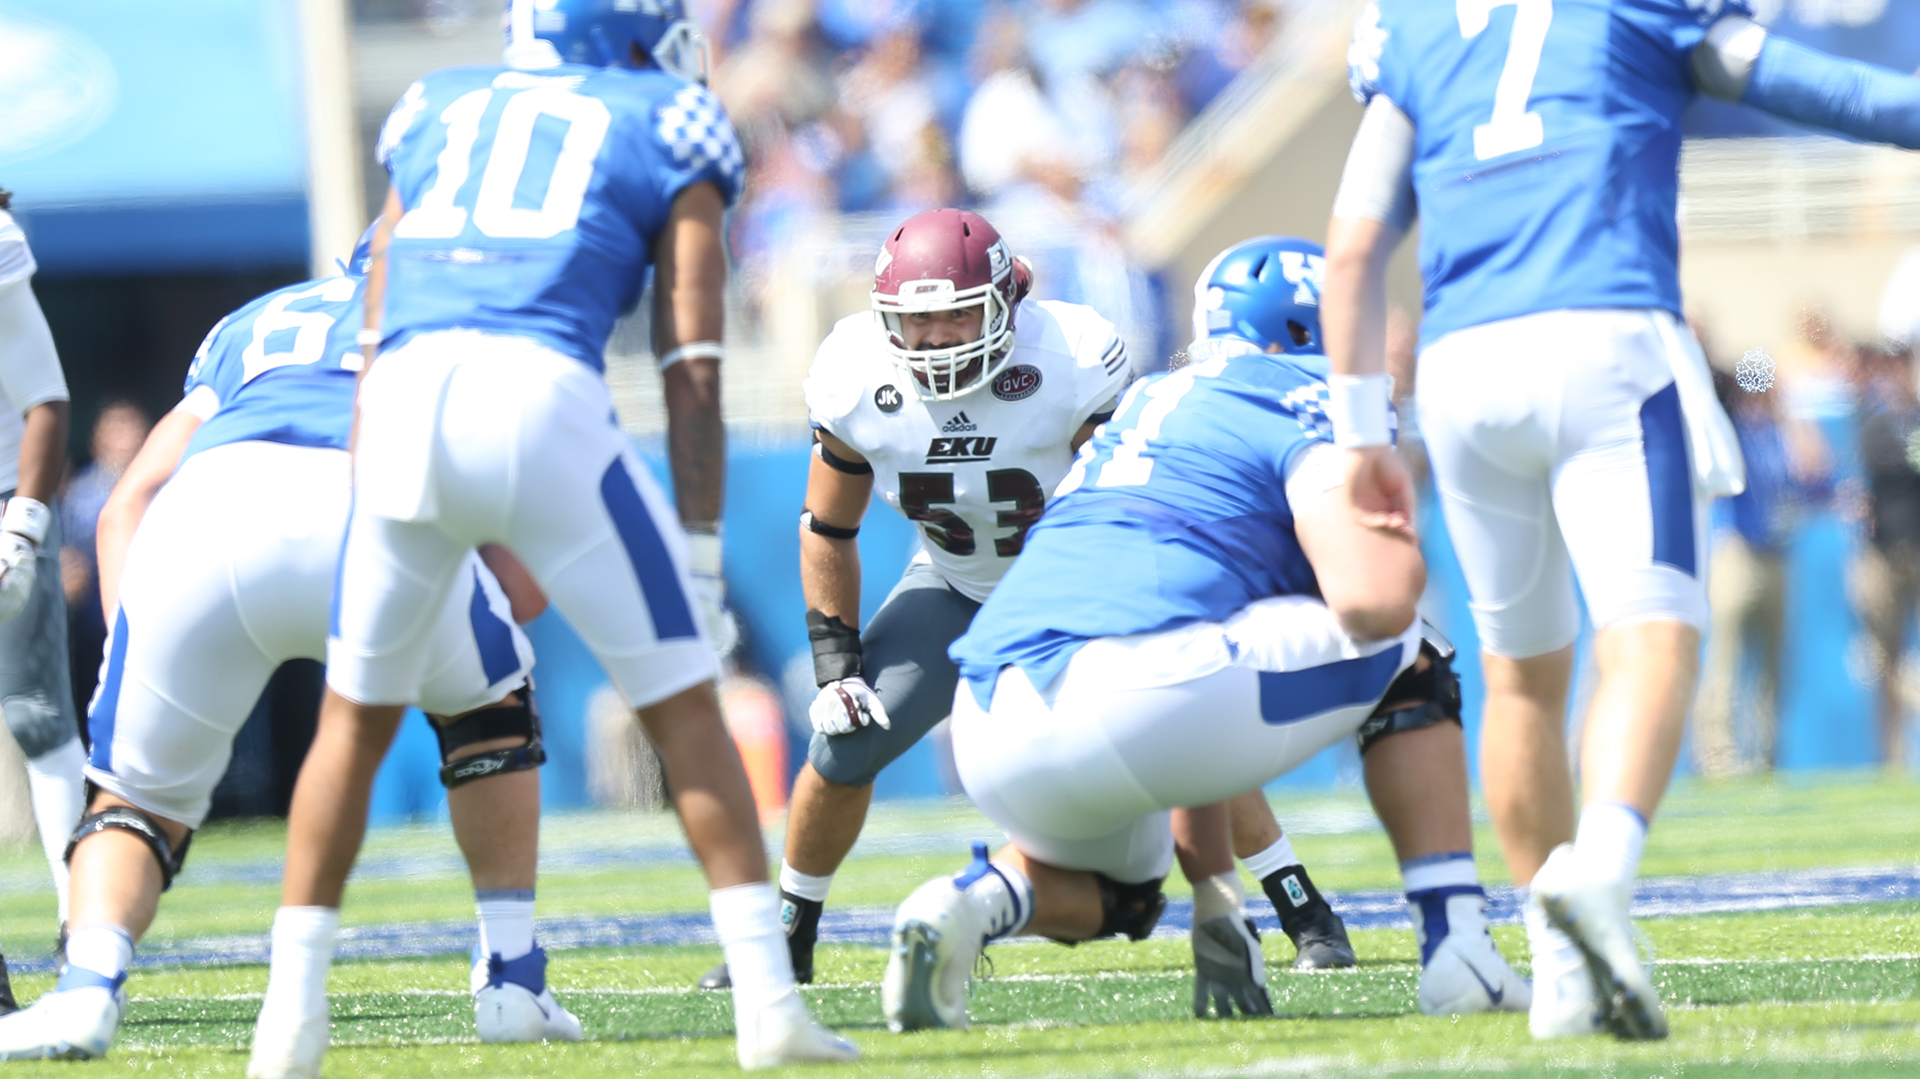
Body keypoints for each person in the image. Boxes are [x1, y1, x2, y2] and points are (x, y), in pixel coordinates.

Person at [248, 2, 856, 1074]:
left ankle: (286, 1022)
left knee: (352, 720)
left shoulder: (437, 102)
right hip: (538, 389)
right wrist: (700, 549)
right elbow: (692, 358)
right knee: (686, 706)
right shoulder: (669, 115)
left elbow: (378, 311)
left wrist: (374, 460)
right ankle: (770, 1007)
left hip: (403, 399)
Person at [1326, 0, 1920, 1041]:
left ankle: (1559, 966)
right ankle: (1598, 873)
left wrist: (1359, 427)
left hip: (1462, 366)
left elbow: (1352, 247)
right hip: (1607, 333)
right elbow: (1834, 90)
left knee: (1519, 676)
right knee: (1648, 641)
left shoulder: (1415, 27)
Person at [881, 236, 1528, 1032]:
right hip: (1138, 690)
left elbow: (1190, 716)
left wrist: (1218, 902)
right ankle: (1459, 948)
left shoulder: (1147, 401)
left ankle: (962, 903)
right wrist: (1398, 533)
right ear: (1309, 328)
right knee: (1413, 651)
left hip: (991, 717)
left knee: (1124, 894)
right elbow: (1374, 600)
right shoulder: (1308, 389)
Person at [697, 214, 1350, 994]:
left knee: (1185, 724)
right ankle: (786, 938)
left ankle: (1302, 907)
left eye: (956, 315)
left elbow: (1134, 490)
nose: (935, 338)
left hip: (1073, 588)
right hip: (955, 583)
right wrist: (837, 667)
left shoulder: (1070, 356)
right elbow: (828, 527)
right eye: (916, 319)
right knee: (844, 745)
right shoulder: (853, 370)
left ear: (1008, 300)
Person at [0, 241, 584, 1061]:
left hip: (206, 512)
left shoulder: (253, 322)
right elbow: (524, 585)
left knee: (133, 797)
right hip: (371, 509)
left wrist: (141, 658)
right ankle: (512, 978)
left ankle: (86, 988)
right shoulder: (469, 321)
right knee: (492, 712)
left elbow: (128, 500)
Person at [0, 189, 84, 1005]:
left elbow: (46, 399)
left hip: (2, 499)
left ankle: (80, 934)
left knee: (36, 716)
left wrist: (23, 523)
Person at [1695, 366, 1828, 777]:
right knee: (1725, 662)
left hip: (1777, 556)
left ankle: (1765, 760)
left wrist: (1790, 414)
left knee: (1771, 667)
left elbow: (1816, 471)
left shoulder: (1779, 433)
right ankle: (1718, 761)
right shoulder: (1734, 431)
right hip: (1737, 553)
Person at [1851, 342, 1920, 771]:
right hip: (1883, 553)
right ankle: (1891, 756)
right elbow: (1881, 469)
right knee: (1885, 659)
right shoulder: (1874, 424)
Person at [60, 401, 149, 726]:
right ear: (97, 439)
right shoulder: (78, 493)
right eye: (115, 427)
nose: (124, 436)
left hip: (146, 624)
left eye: (131, 426)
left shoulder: (163, 489)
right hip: (92, 627)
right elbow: (67, 557)